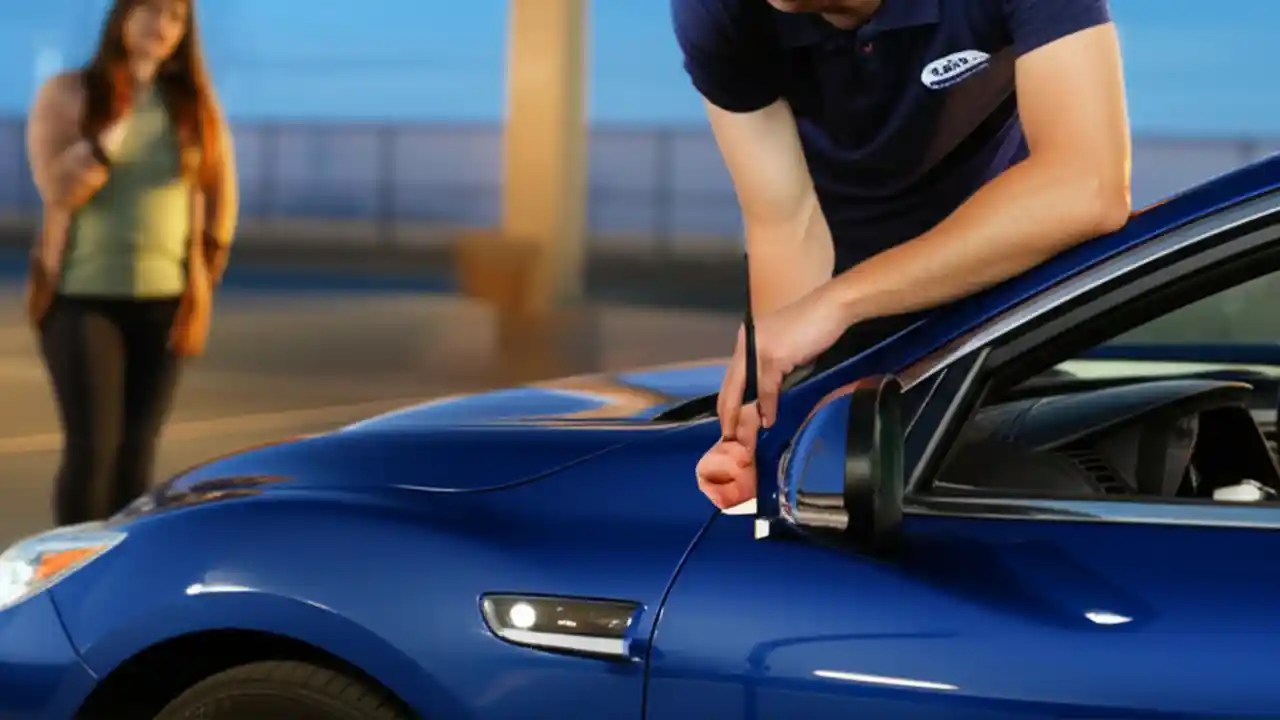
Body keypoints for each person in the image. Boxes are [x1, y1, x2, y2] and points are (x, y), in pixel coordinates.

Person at [675, 0, 1133, 508]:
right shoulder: (718, 10)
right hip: (845, 323)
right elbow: (786, 222)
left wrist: (839, 302)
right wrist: (770, 440)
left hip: (1006, 298)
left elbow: (1087, 186)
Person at [24, 0, 238, 525]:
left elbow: (221, 199)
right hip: (81, 299)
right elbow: (57, 188)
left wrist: (202, 279)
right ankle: (72, 580)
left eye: (175, 19)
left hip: (165, 303)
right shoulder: (69, 92)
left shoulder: (193, 105)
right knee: (93, 450)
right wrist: (113, 125)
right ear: (122, 17)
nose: (161, 26)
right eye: (151, 11)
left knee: (136, 457)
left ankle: (117, 585)